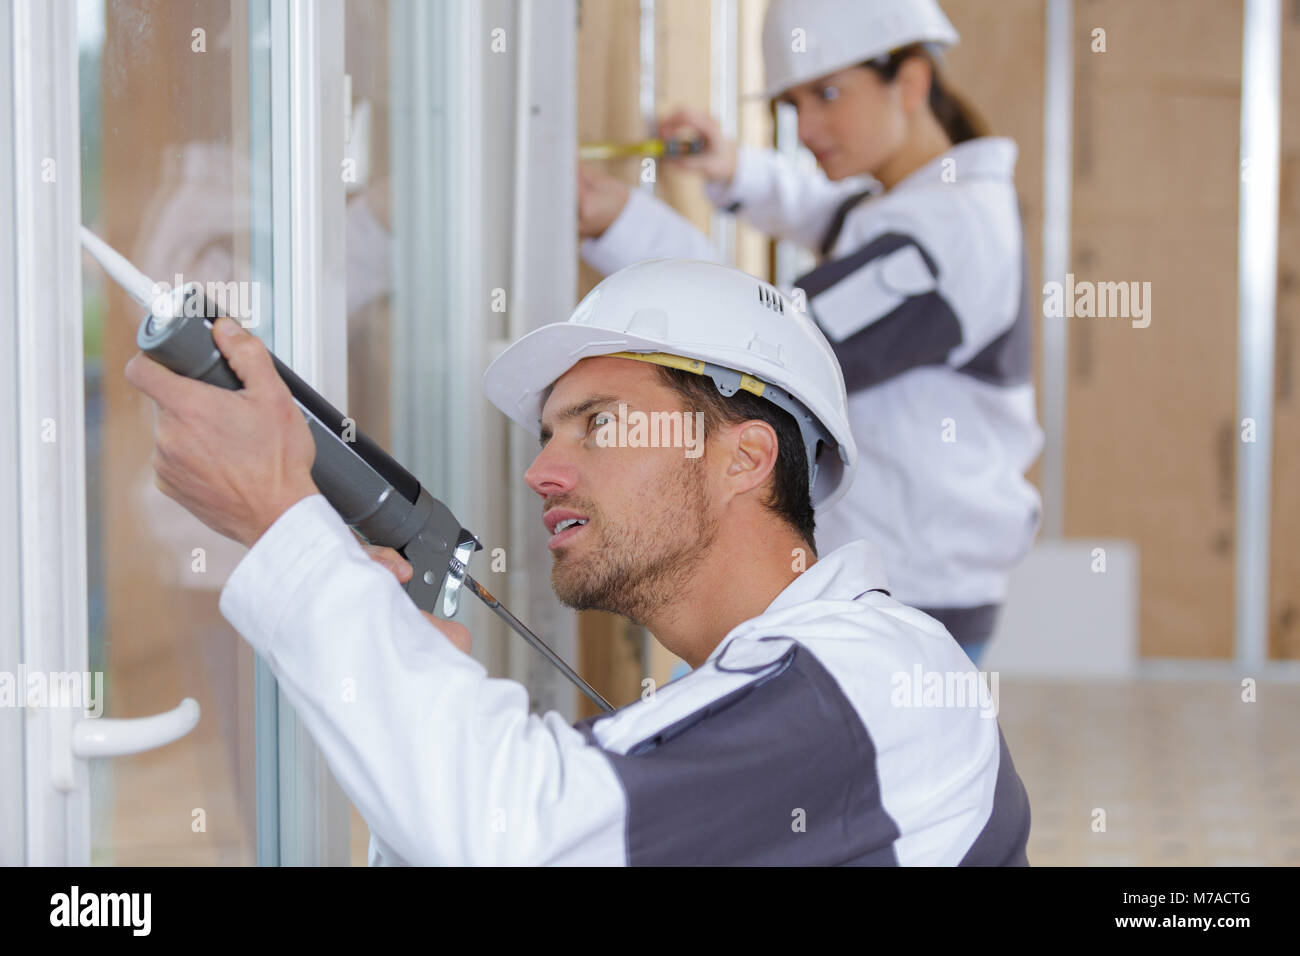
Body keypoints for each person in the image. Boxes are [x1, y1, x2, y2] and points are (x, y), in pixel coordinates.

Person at [124, 257, 1030, 865]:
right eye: (549, 432)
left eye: (598, 424)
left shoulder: (867, 679)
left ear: (744, 459)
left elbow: (520, 834)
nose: (540, 471)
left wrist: (284, 522)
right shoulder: (761, 697)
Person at [577, 0, 1044, 665]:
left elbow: (780, 340)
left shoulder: (949, 235)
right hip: (914, 575)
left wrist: (623, 223)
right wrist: (734, 169)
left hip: (911, 597)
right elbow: (831, 213)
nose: (810, 125)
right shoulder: (916, 197)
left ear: (910, 82)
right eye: (794, 105)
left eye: (829, 94)